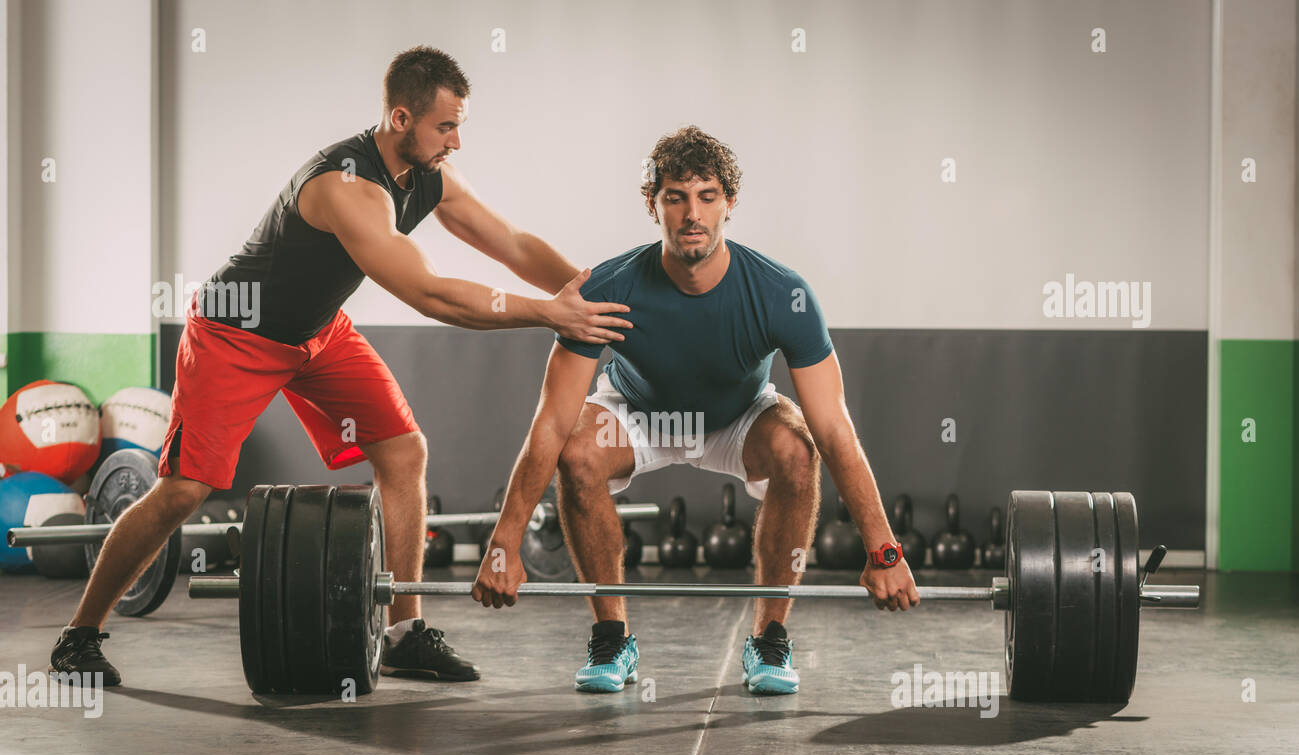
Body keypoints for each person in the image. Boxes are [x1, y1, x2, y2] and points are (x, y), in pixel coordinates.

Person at [51, 46, 632, 688]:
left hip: (318, 334)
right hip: (234, 335)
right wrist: (553, 315)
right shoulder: (344, 186)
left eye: (460, 124)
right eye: (446, 126)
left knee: (403, 452)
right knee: (186, 490)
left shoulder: (429, 175)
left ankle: (405, 632)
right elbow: (430, 294)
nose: (457, 141)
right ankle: (79, 636)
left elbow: (514, 244)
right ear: (401, 117)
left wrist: (598, 298)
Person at [472, 125, 919, 695]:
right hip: (640, 414)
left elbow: (836, 431)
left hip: (736, 417)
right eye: (675, 197)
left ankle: (770, 639)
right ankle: (612, 638)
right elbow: (552, 423)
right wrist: (505, 542)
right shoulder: (606, 287)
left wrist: (884, 550)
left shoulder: (784, 294)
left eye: (707, 196)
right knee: (579, 451)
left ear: (729, 203)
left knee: (797, 448)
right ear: (652, 204)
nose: (692, 214)